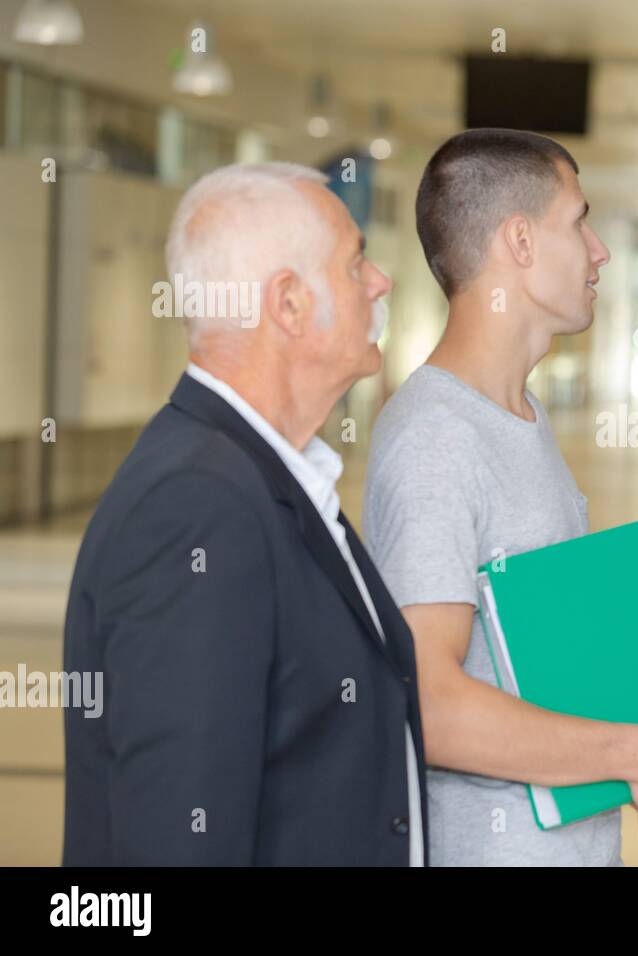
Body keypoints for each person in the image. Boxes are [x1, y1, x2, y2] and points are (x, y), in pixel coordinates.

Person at [363, 128, 638, 865]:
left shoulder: (520, 419)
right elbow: (427, 699)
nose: (599, 250)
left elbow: (539, 664)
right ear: (520, 242)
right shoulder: (436, 435)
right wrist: (635, 752)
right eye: (578, 220)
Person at [63, 162, 426, 865]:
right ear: (288, 304)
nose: (380, 281)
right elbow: (176, 840)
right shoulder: (198, 506)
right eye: (356, 264)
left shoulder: (264, 476)